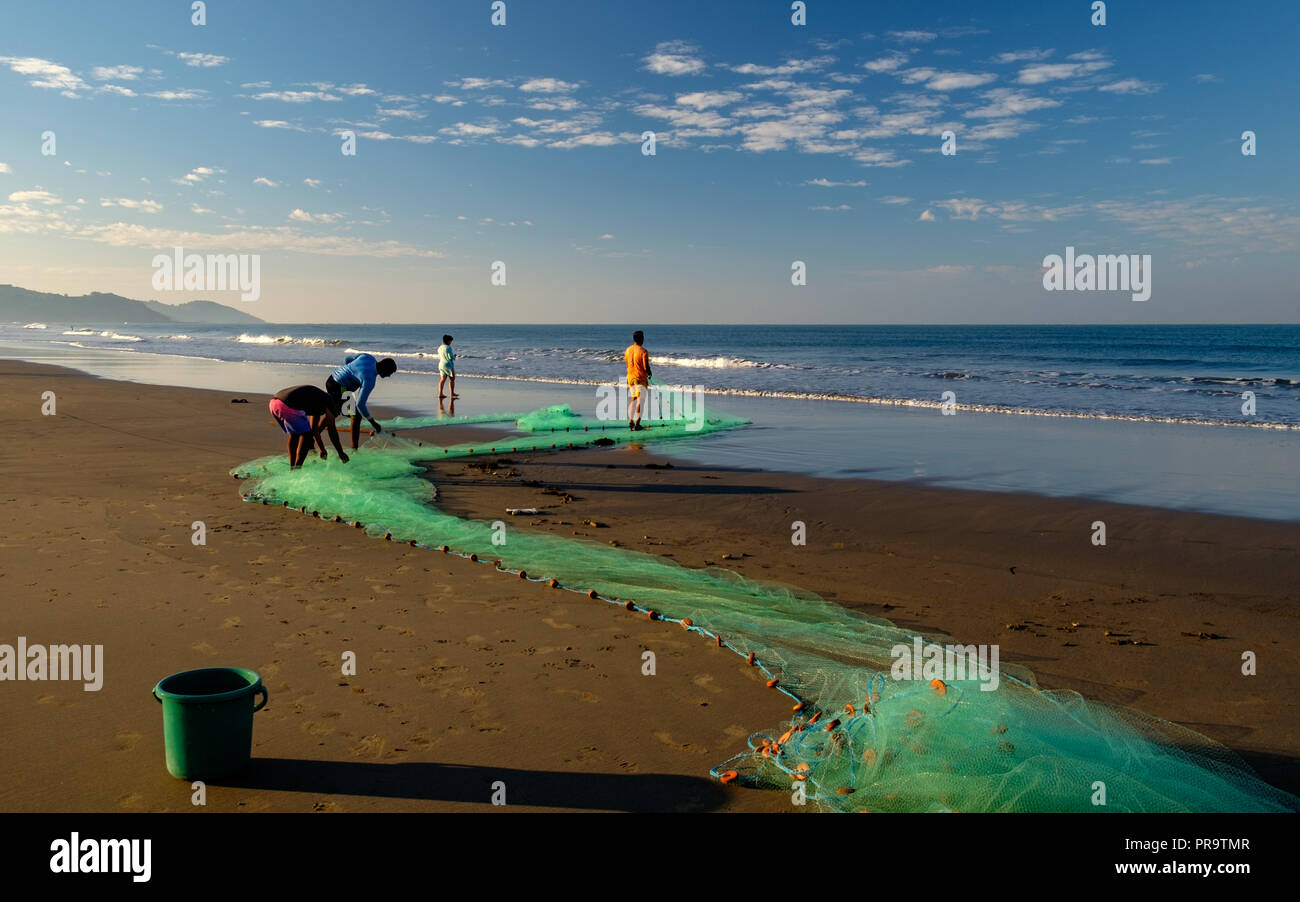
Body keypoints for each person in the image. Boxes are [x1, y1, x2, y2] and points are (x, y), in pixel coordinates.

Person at [268, 384, 349, 469]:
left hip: (274, 403)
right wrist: (341, 453)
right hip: (286, 405)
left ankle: (293, 467)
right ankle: (297, 468)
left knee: (295, 434)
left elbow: (314, 428)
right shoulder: (329, 401)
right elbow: (332, 430)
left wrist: (322, 449)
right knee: (307, 436)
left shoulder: (319, 399)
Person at [326, 353, 397, 450]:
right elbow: (360, 404)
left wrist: (349, 371)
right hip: (340, 387)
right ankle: (354, 448)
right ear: (384, 369)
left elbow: (348, 358)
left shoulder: (368, 357)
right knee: (355, 416)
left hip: (333, 378)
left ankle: (315, 433)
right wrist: (372, 422)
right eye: (390, 373)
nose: (389, 376)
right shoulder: (369, 379)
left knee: (335, 411)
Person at [624, 330, 651, 431]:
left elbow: (627, 364)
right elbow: (645, 367)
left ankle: (630, 421)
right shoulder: (643, 351)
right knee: (641, 401)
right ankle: (637, 424)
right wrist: (649, 372)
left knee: (633, 399)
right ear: (642, 339)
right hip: (640, 379)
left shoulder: (627, 350)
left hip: (630, 378)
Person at [437, 335, 458, 400]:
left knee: (442, 379)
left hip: (441, 364)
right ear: (448, 341)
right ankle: (452, 393)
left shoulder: (440, 347)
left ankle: (440, 393)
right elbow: (450, 357)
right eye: (450, 341)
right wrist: (454, 356)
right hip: (448, 364)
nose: (451, 343)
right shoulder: (448, 348)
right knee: (452, 379)